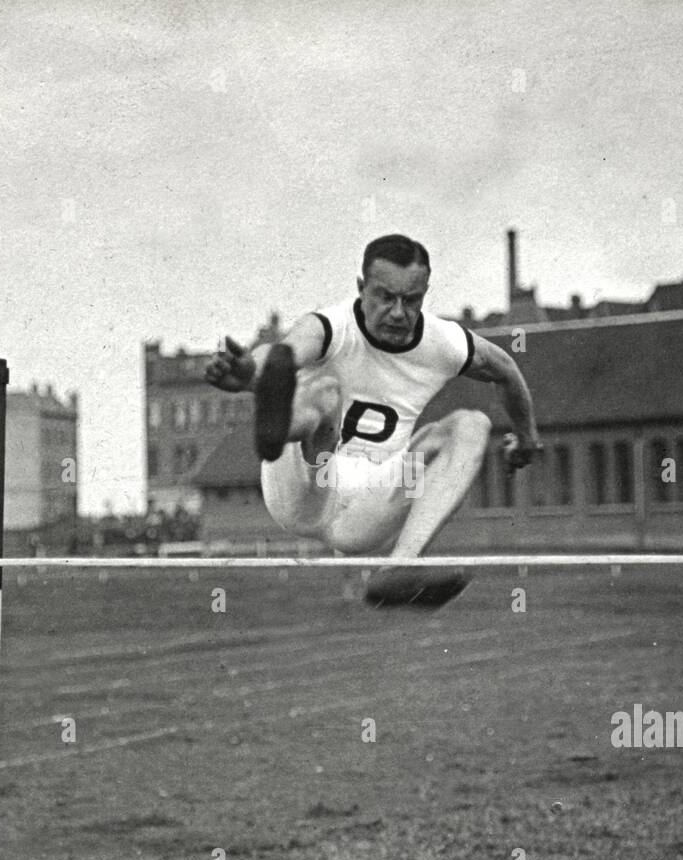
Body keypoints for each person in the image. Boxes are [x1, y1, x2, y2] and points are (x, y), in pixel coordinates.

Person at [205, 234, 541, 607]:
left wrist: (527, 439)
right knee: (324, 390)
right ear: (361, 289)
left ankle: (398, 569)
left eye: (410, 300)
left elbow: (506, 369)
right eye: (385, 297)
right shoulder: (331, 326)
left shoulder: (442, 341)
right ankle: (278, 425)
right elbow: (285, 351)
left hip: (371, 508)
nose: (398, 312)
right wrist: (251, 371)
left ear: (424, 294)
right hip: (307, 481)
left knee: (471, 425)